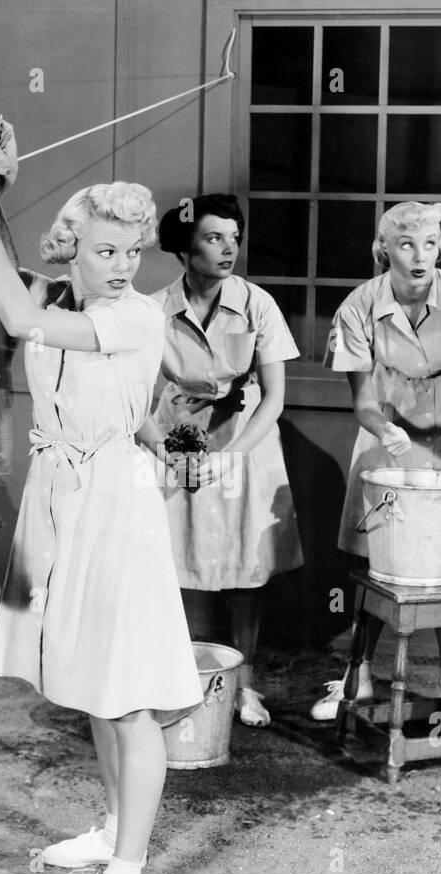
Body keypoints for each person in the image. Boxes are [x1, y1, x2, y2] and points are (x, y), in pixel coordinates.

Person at [0, 121, 202, 874]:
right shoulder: (49, 291)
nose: (125, 266)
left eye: (133, 251)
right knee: (87, 680)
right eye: (108, 250)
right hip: (57, 499)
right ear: (72, 247)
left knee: (128, 701)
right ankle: (115, 829)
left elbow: (17, 320)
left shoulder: (139, 318)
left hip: (116, 505)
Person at [311, 201, 441, 721]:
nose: (420, 256)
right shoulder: (358, 306)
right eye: (406, 245)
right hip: (392, 422)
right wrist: (384, 429)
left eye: (430, 244)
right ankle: (357, 677)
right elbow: (361, 399)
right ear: (385, 251)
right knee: (379, 550)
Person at [141, 194, 303, 727]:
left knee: (244, 570)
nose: (229, 248)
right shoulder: (153, 311)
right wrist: (169, 450)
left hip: (245, 437)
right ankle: (180, 681)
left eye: (234, 236)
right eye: (214, 238)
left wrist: (230, 457)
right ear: (185, 250)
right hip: (178, 435)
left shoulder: (257, 304)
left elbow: (275, 399)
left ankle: (245, 685)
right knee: (177, 562)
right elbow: (136, 400)